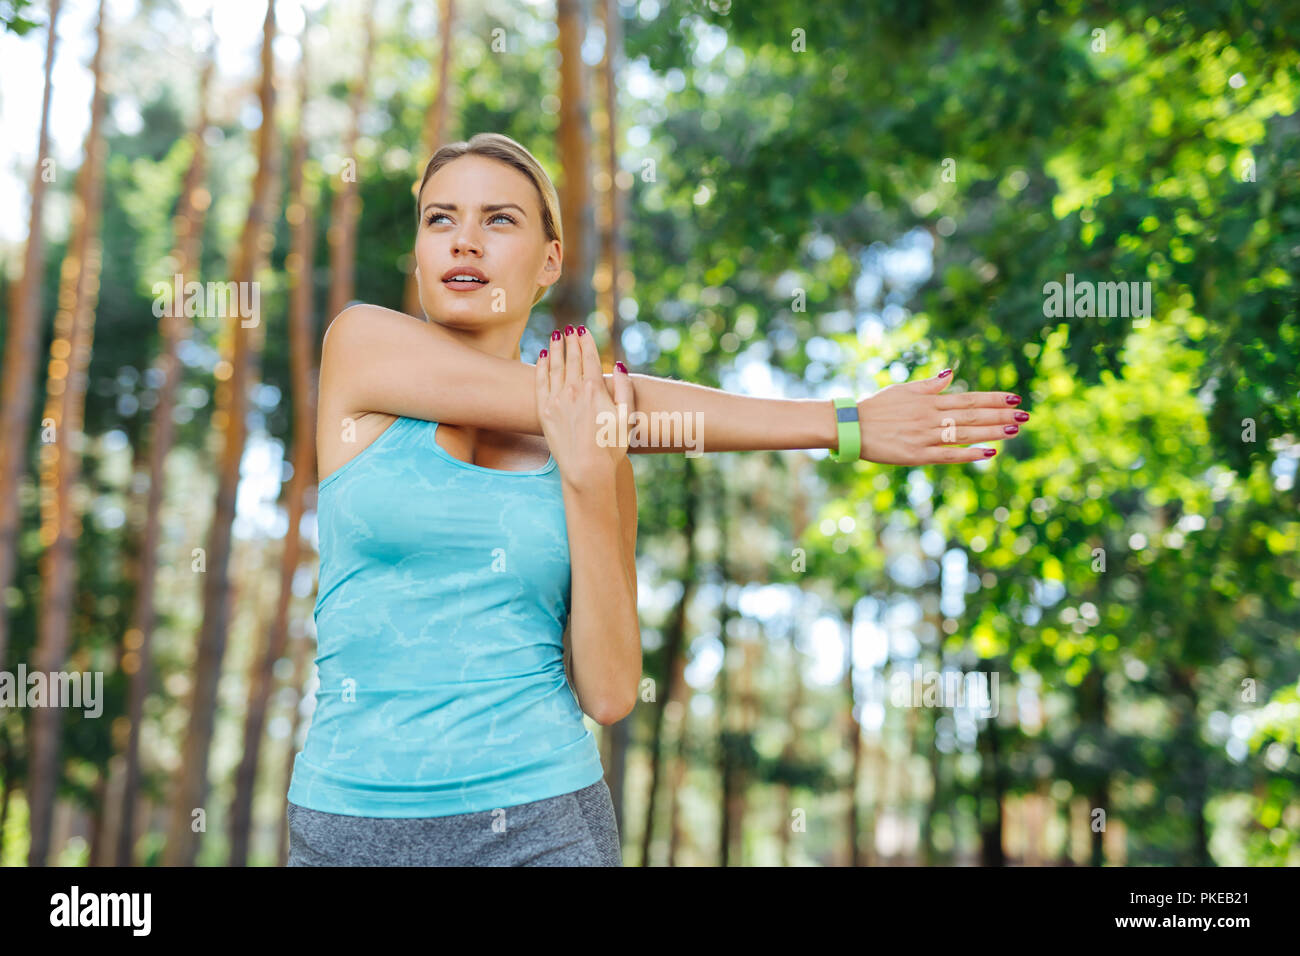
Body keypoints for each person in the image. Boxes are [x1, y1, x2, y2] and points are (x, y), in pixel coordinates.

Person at [285, 132, 1030, 866]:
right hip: (348, 825)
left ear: (550, 260)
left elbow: (608, 693)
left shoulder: (598, 449)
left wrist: (585, 478)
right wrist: (842, 424)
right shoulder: (362, 349)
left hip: (546, 820)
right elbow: (619, 404)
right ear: (417, 253)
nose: (464, 242)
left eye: (499, 219)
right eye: (440, 219)